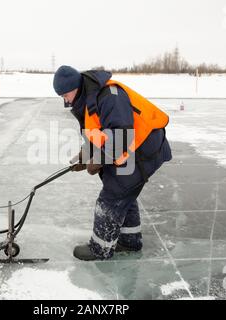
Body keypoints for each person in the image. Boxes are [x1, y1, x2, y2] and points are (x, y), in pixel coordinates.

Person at [53, 65, 172, 261]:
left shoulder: (109, 96)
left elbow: (121, 136)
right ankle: (130, 241)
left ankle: (100, 249)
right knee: (124, 192)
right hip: (132, 149)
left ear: (76, 87)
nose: (65, 100)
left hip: (144, 149)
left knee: (112, 196)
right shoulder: (87, 100)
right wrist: (84, 155)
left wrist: (97, 161)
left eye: (65, 94)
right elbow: (98, 133)